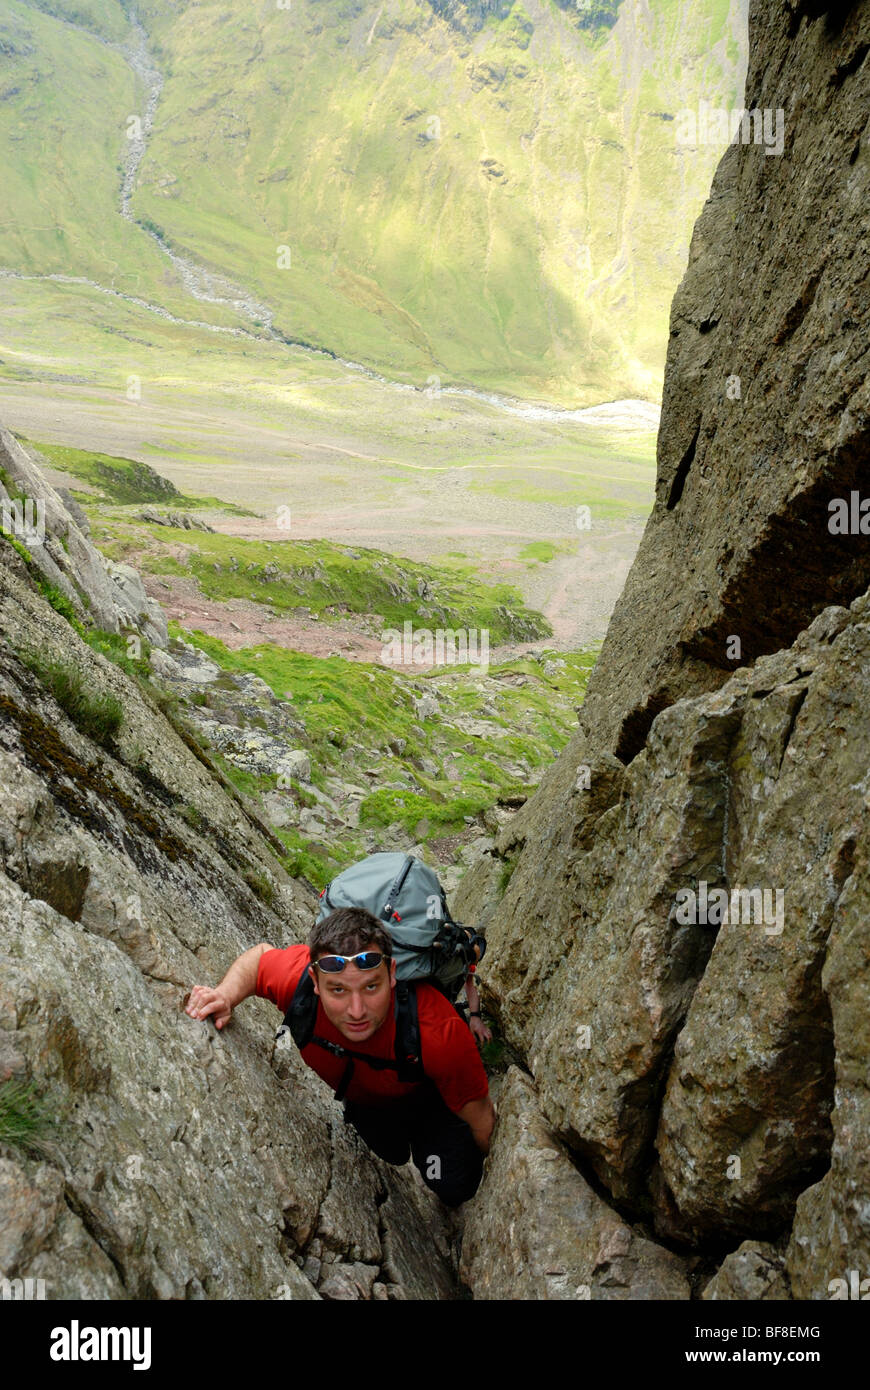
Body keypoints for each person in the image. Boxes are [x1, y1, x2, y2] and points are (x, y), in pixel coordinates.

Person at [185, 906, 495, 1207]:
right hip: (368, 1103)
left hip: (428, 1106)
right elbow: (259, 958)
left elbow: (482, 1118)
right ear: (315, 982)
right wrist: (225, 995)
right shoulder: (298, 983)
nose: (356, 1010)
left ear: (391, 974)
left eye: (370, 986)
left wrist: (495, 1178)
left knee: (452, 1185)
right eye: (338, 991)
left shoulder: (438, 1033)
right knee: (391, 1151)